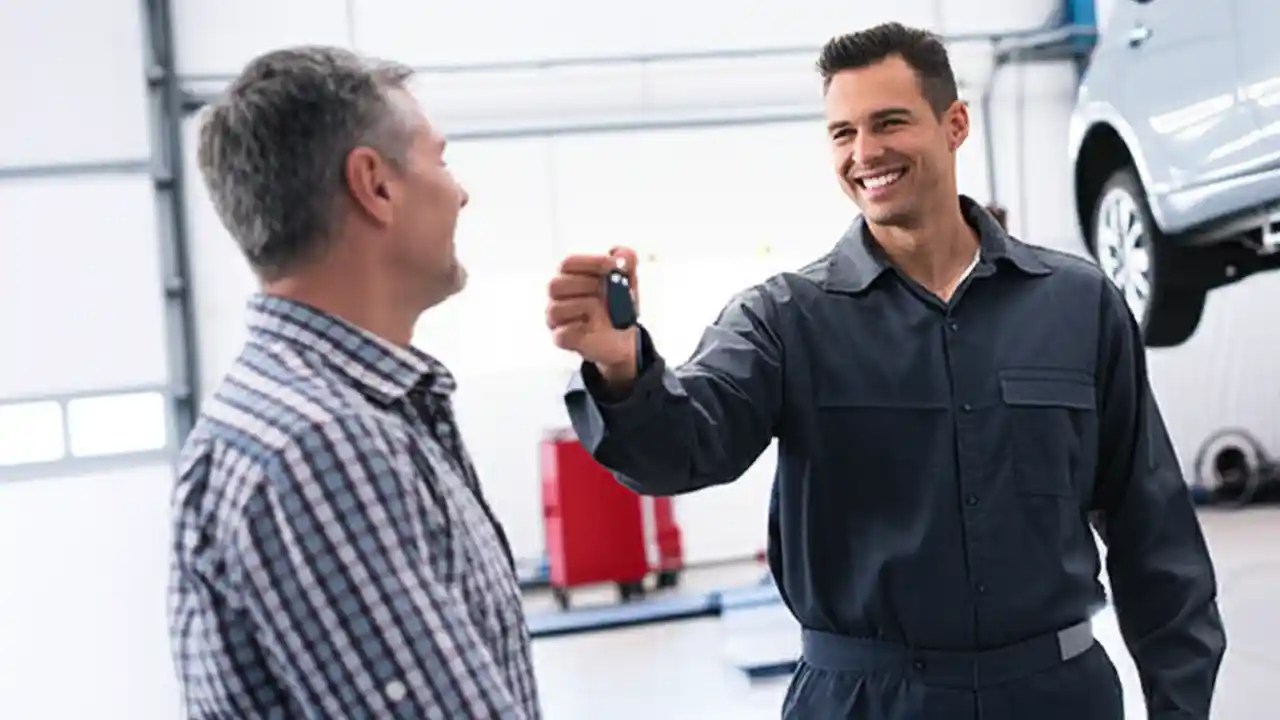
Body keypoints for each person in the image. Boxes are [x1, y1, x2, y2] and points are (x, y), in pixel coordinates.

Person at [546, 22, 1225, 720]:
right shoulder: (785, 320)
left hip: (1056, 696)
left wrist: (1181, 705)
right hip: (865, 702)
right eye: (842, 133)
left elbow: (1155, 535)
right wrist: (622, 366)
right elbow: (683, 448)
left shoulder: (1078, 306)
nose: (864, 153)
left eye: (888, 122)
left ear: (954, 124)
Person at [168, 46, 540, 719]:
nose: (460, 192)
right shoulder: (324, 447)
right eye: (441, 159)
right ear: (374, 184)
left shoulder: (298, 413)